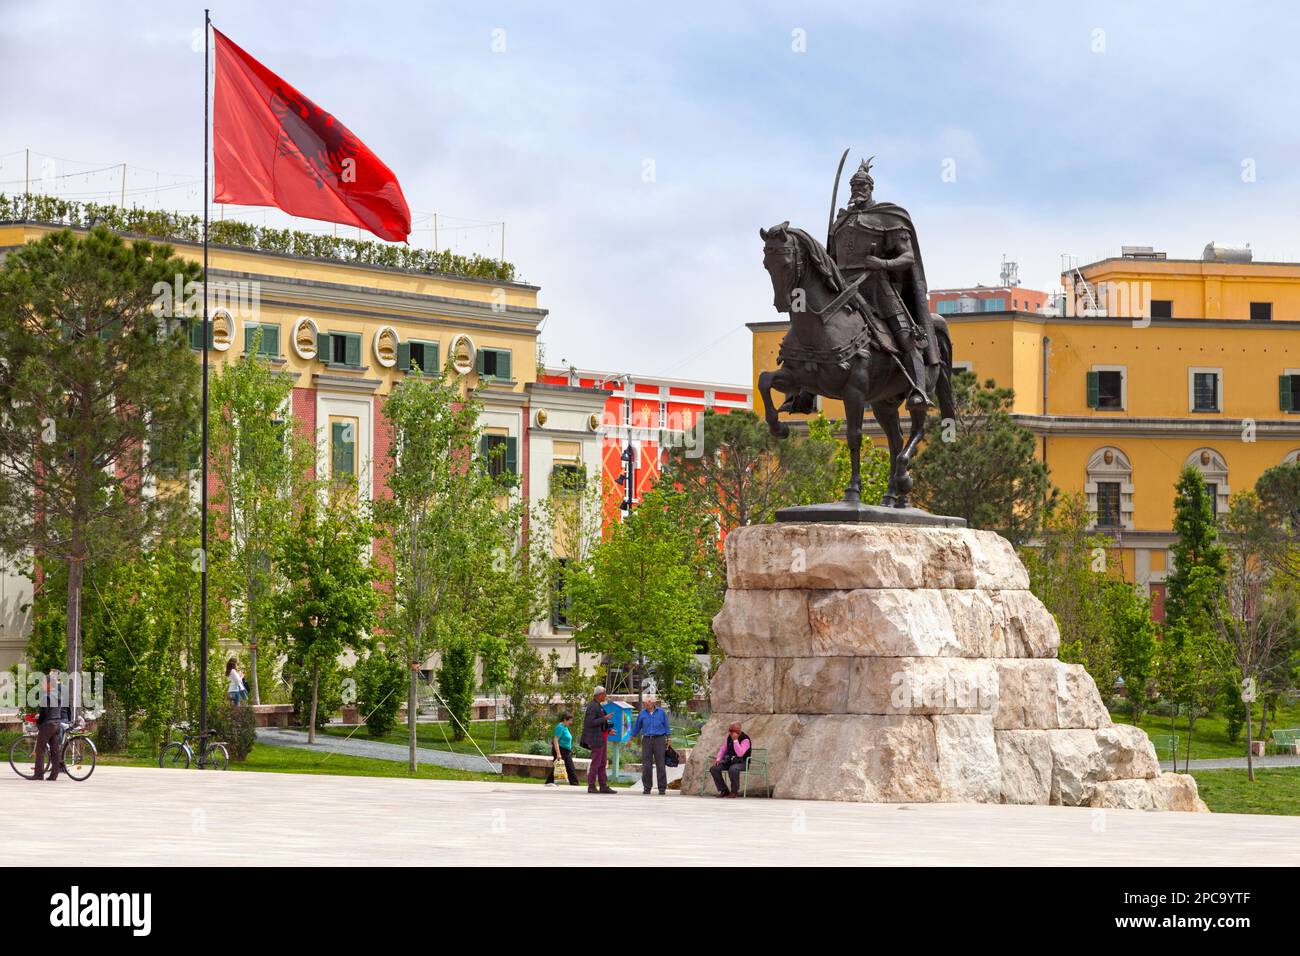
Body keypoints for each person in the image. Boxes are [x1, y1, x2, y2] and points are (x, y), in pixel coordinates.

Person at [32, 670, 70, 782]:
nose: (42, 684)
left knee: (40, 749)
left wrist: (38, 723)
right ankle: (54, 775)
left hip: (47, 725)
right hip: (57, 724)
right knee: (55, 750)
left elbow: (44, 713)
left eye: (44, 682)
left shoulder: (46, 696)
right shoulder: (58, 695)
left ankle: (38, 775)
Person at [628, 694, 670, 795]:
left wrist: (669, 738)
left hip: (659, 739)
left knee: (660, 764)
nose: (646, 704)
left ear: (653, 703)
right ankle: (647, 787)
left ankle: (662, 788)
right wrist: (630, 739)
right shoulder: (642, 714)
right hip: (647, 740)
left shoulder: (661, 713)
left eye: (648, 702)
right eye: (645, 702)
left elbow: (666, 725)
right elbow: (637, 727)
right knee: (646, 765)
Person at [580, 686, 616, 794]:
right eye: (604, 694)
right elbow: (590, 722)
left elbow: (599, 724)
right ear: (599, 694)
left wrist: (608, 731)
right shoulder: (592, 706)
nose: (605, 696)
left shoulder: (598, 705)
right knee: (596, 763)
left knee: (602, 763)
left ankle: (603, 785)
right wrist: (605, 718)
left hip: (601, 738)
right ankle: (591, 786)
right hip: (596, 739)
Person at [709, 722, 753, 798]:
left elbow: (740, 754)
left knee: (733, 769)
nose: (730, 732)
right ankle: (724, 790)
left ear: (738, 730)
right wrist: (718, 759)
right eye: (730, 730)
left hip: (742, 762)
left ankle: (734, 792)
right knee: (714, 769)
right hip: (730, 761)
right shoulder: (728, 737)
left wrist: (735, 741)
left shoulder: (745, 739)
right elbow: (723, 749)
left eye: (732, 730)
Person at [545, 713, 579, 786]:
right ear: (564, 720)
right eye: (570, 721)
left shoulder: (565, 727)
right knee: (558, 766)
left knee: (570, 767)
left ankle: (575, 784)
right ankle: (549, 782)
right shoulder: (560, 727)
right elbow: (555, 740)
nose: (571, 723)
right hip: (560, 750)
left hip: (566, 751)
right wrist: (558, 753)